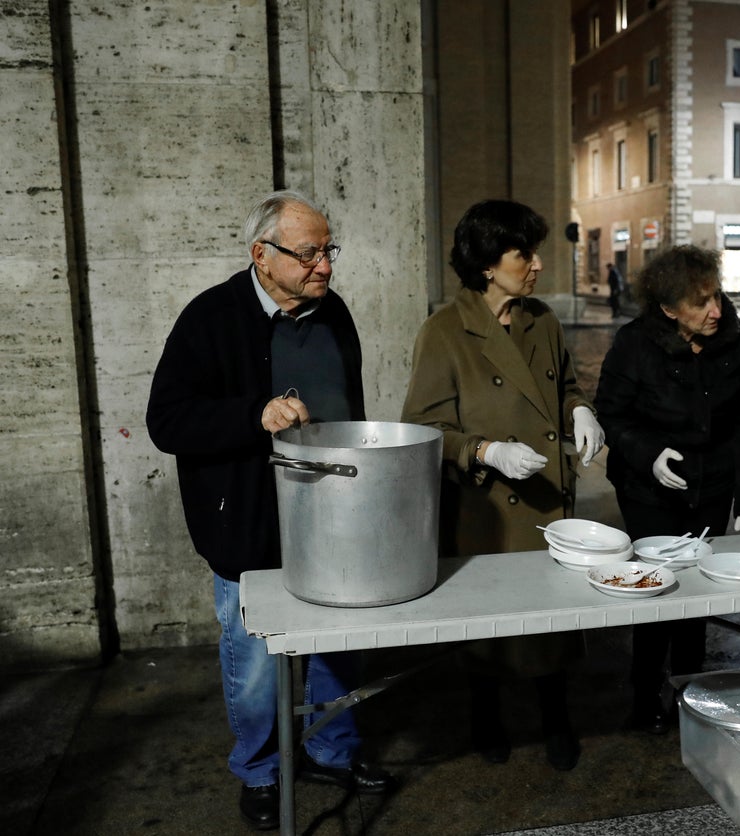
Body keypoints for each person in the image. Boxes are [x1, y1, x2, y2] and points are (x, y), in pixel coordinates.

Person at [146, 191, 393, 831]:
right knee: (256, 665)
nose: (325, 266)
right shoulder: (209, 317)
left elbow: (350, 403)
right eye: (308, 253)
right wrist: (252, 415)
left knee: (340, 644)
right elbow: (165, 421)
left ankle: (331, 749)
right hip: (248, 521)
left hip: (333, 514)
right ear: (262, 254)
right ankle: (259, 769)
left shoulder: (333, 313)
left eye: (327, 251)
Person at [401, 198, 605, 772]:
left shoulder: (542, 319)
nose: (537, 264)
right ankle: (485, 717)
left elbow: (565, 386)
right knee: (490, 629)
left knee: (553, 623)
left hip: (548, 502)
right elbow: (420, 428)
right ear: (489, 263)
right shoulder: (445, 331)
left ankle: (556, 719)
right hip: (489, 508)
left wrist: (580, 411)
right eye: (524, 253)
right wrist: (484, 450)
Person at [595, 244, 740, 733]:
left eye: (716, 296)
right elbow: (611, 411)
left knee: (697, 591)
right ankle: (644, 693)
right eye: (700, 303)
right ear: (670, 309)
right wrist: (648, 453)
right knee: (655, 590)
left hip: (712, 485)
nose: (716, 310)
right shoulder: (635, 344)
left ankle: (692, 691)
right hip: (648, 489)